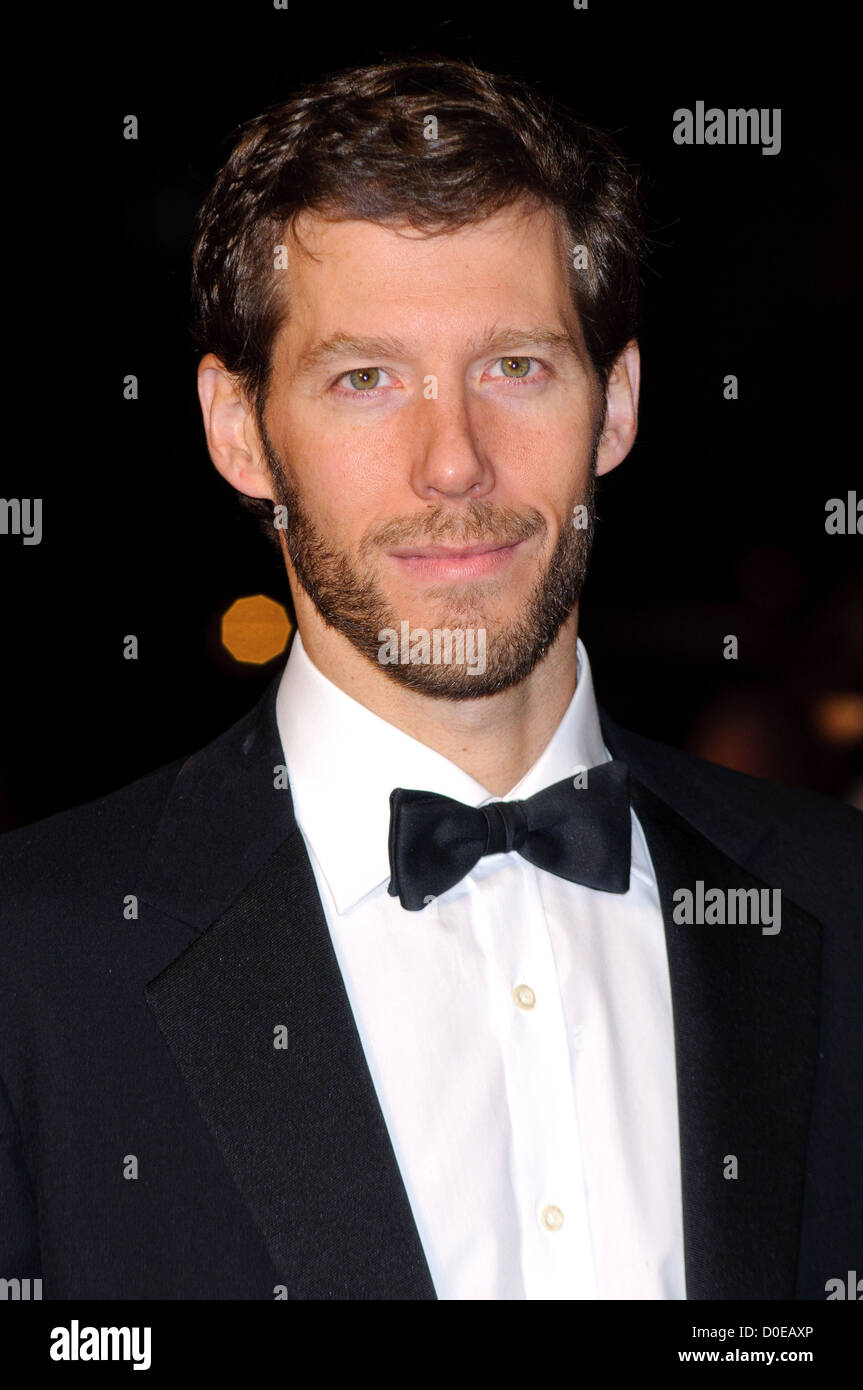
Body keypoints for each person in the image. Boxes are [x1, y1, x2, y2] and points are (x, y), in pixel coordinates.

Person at [1, 55, 860, 1302]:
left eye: (513, 366)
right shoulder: (33, 965)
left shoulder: (835, 902)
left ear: (613, 403)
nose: (451, 462)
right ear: (238, 430)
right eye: (364, 380)